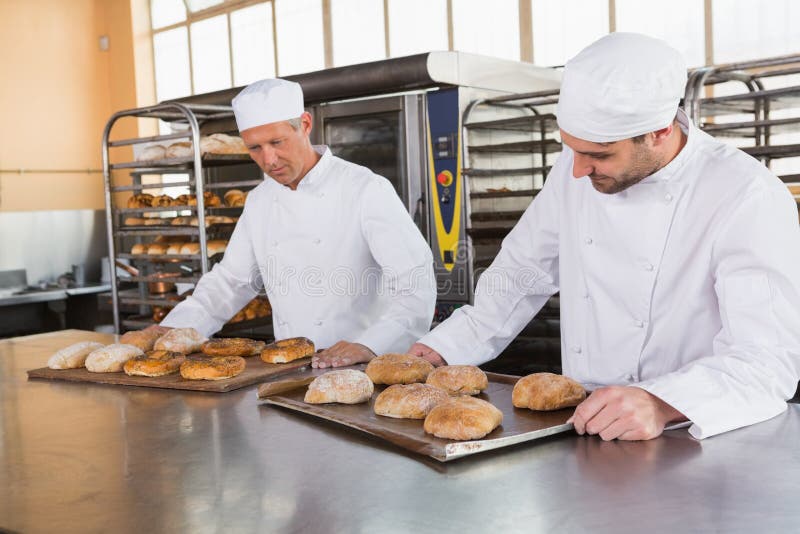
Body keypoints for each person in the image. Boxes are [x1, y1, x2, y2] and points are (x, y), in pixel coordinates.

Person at [409, 32, 800, 441]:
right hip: (584, 422)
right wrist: (448, 346)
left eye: (598, 155)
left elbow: (767, 359)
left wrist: (661, 401)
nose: (577, 170)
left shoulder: (745, 194)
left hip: (692, 430)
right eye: (571, 150)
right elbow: (524, 270)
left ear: (660, 131)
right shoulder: (574, 168)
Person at [157, 78, 436, 366]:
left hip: (367, 366)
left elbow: (415, 283)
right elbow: (231, 281)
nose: (269, 159)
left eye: (277, 142)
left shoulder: (364, 188)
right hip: (290, 367)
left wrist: (370, 345)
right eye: (254, 148)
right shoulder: (260, 200)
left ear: (304, 124)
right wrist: (175, 327)